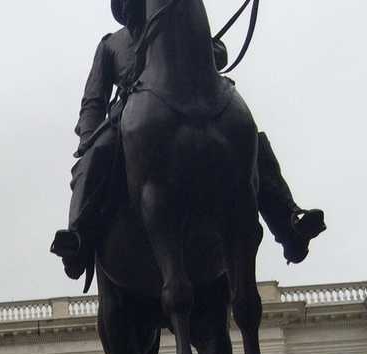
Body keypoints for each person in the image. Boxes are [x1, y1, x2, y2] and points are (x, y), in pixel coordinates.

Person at [50, 0, 325, 284]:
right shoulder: (111, 45)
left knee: (250, 140)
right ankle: (78, 236)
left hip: (196, 109)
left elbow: (215, 56)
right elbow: (94, 101)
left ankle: (287, 222)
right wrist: (88, 138)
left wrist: (211, 49)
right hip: (129, 123)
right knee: (96, 155)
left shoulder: (177, 25)